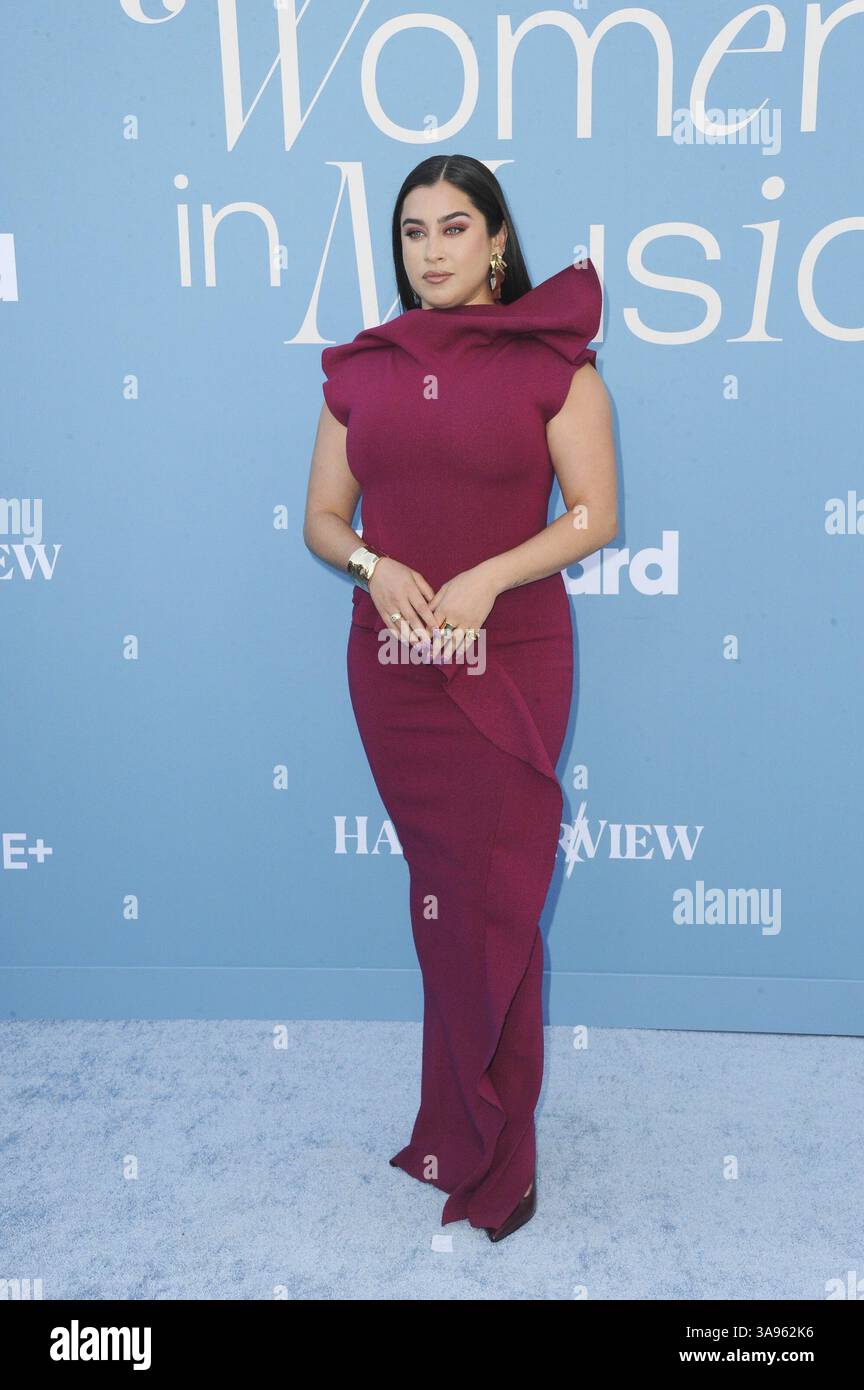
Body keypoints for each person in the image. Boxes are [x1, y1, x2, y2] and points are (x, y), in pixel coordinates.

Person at [303, 154, 617, 1241]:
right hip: (392, 672)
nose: (430, 251)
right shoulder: (363, 371)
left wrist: (486, 575)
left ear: (495, 242)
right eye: (412, 233)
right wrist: (373, 570)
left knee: (500, 906)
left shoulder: (556, 366)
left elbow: (596, 516)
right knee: (443, 901)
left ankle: (505, 1154)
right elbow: (323, 523)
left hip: (512, 656)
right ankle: (452, 1122)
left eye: (452, 228)